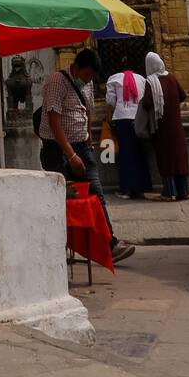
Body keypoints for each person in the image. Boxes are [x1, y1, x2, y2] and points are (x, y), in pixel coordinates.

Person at [38, 48, 135, 264]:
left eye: (91, 76)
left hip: (81, 145)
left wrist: (88, 135)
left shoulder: (87, 83)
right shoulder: (57, 81)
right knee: (62, 198)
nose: (88, 79)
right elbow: (54, 120)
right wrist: (71, 155)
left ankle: (110, 243)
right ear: (77, 67)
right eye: (87, 74)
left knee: (96, 192)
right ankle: (59, 246)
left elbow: (87, 109)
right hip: (57, 150)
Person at [140, 52, 189, 201]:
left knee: (166, 158)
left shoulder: (151, 81)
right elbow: (183, 95)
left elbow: (147, 102)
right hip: (176, 125)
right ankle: (184, 191)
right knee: (180, 158)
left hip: (161, 126)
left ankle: (169, 192)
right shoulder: (172, 77)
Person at [106, 68, 152, 199]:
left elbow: (110, 102)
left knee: (125, 154)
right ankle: (141, 188)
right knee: (139, 153)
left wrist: (108, 118)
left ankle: (126, 189)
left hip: (122, 119)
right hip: (138, 119)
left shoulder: (113, 78)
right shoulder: (141, 79)